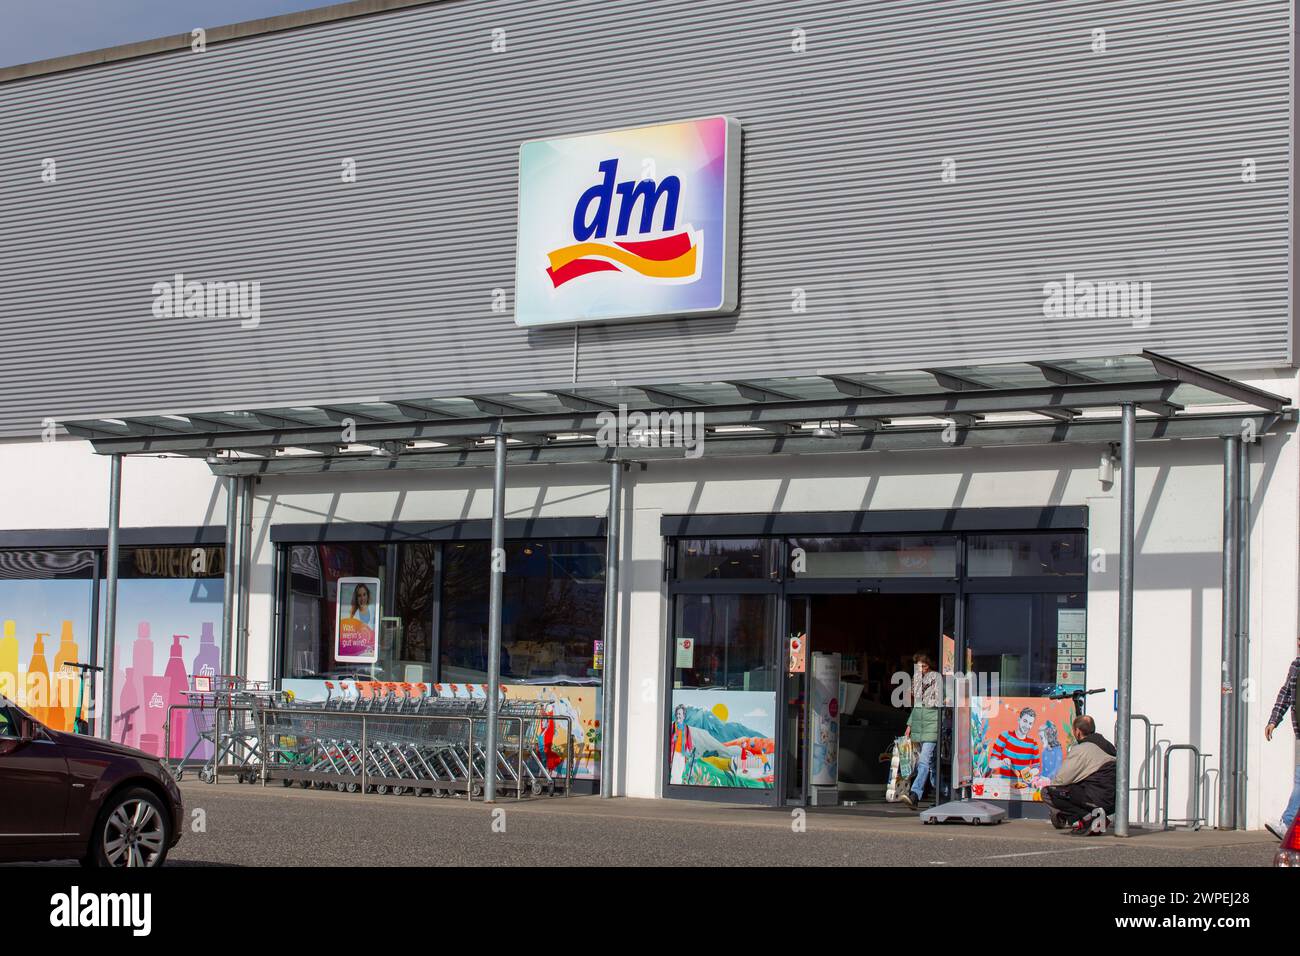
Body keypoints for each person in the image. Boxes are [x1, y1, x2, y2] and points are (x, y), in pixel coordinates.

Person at [1040, 715, 1117, 834]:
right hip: (1112, 802)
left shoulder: (1082, 749)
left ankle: (1090, 818)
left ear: (1077, 731)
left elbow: (1061, 779)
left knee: (1049, 792)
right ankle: (1094, 818)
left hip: (1096, 799)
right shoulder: (1108, 746)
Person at [1264, 638, 1300, 839]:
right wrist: (1273, 720)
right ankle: (1287, 823)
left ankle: (1287, 823)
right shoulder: (1296, 666)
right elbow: (1285, 694)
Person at [901, 653, 941, 809]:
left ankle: (914, 794)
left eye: (923, 666)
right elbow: (916, 707)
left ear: (929, 666)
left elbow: (936, 702)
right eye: (918, 667)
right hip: (919, 726)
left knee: (924, 761)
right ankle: (943, 793)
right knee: (928, 764)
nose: (921, 670)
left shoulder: (936, 679)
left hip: (932, 726)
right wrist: (909, 726)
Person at [988, 706, 1042, 789]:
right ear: (1019, 720)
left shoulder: (1033, 743)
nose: (1027, 726)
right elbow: (991, 764)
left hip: (1023, 785)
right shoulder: (1005, 736)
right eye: (1025, 721)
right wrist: (1002, 762)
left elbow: (1037, 767)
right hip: (1003, 783)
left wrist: (1031, 773)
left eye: (1030, 723)